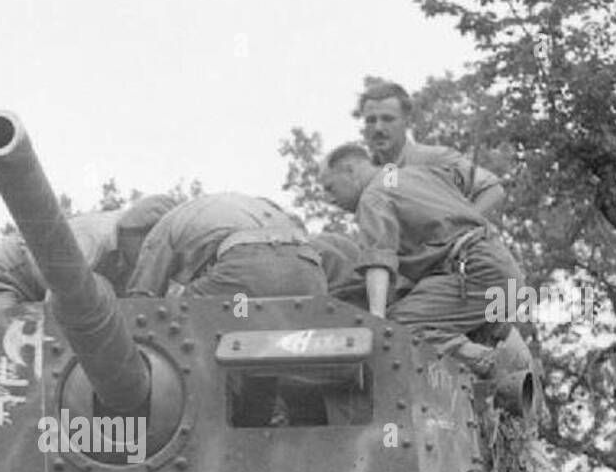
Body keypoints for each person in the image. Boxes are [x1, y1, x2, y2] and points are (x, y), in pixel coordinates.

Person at [319, 143, 527, 375]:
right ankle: (509, 365)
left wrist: (378, 321)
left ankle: (483, 361)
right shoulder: (418, 173)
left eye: (330, 187)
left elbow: (379, 261)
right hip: (502, 271)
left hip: (474, 273)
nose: (329, 199)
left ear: (350, 171)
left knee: (397, 328)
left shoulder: (373, 197)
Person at [0, 193, 177, 320]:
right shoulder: (91, 240)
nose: (150, 257)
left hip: (35, 284)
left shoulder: (134, 252)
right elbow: (57, 304)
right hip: (2, 275)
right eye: (148, 246)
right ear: (135, 234)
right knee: (5, 357)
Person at [124, 192, 340, 299]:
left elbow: (142, 302)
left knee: (182, 313)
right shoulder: (243, 203)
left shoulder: (163, 228)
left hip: (244, 283)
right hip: (308, 275)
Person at [358, 80, 505, 221]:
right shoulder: (366, 176)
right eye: (371, 120)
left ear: (406, 121)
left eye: (388, 119)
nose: (378, 128)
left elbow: (493, 190)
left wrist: (460, 232)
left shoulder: (433, 159)